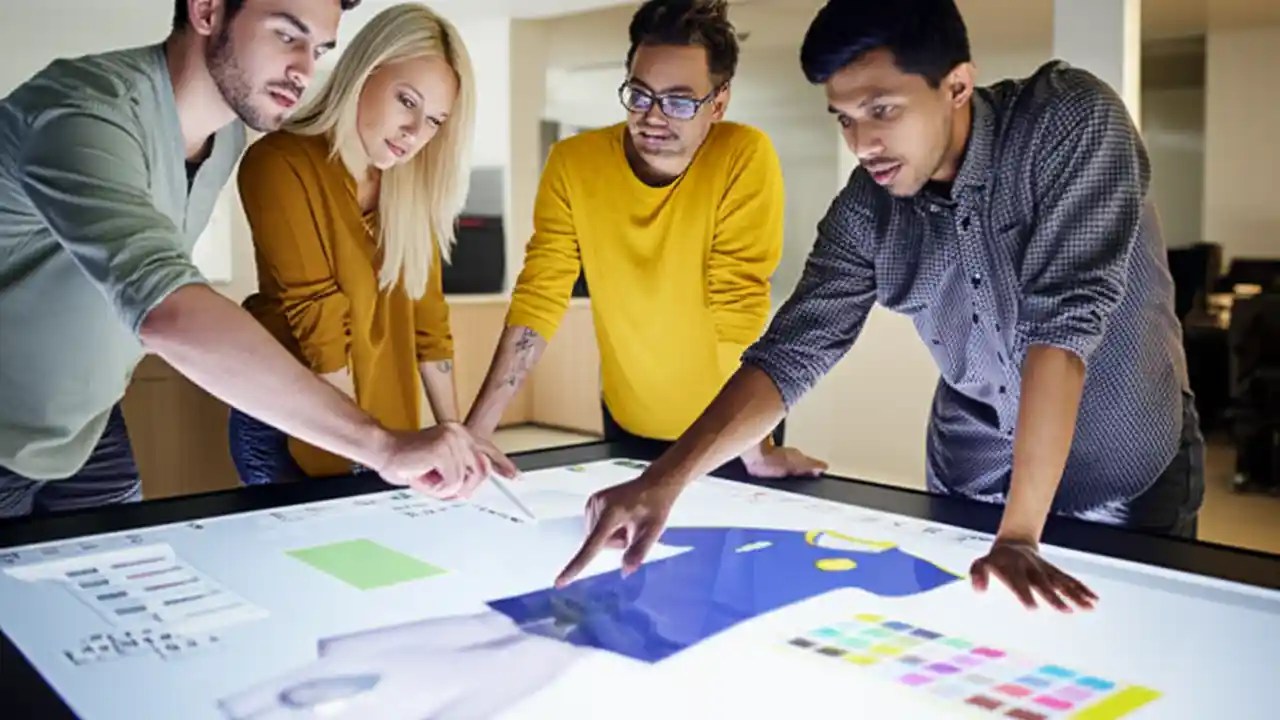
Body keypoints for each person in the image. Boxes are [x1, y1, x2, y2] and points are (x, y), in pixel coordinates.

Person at [555, 0, 1204, 615]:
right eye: (843, 117)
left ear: (956, 85)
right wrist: (665, 480)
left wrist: (1019, 536)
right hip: (972, 477)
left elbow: (1061, 327)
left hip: (1123, 466)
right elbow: (792, 352)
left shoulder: (1069, 121)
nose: (861, 143)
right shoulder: (869, 208)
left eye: (882, 110)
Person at [0, 0, 513, 520]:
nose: (304, 70)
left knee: (119, 582)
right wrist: (378, 445)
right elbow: (166, 307)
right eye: (286, 35)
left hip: (84, 425)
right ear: (207, 9)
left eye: (318, 48)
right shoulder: (83, 111)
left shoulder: (223, 142)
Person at [463, 0, 825, 480]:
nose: (653, 117)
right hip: (627, 415)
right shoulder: (573, 164)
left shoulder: (743, 156)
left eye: (678, 101)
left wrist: (756, 447)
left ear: (718, 103)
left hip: (727, 428)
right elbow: (540, 296)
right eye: (639, 94)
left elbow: (737, 310)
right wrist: (477, 433)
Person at [228, 3, 477, 489]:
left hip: (378, 431)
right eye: (407, 101)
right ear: (366, 72)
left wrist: (456, 434)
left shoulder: (409, 190)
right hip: (294, 424)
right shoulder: (279, 163)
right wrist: (366, 453)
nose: (415, 132)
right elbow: (318, 321)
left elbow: (429, 323)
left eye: (434, 121)